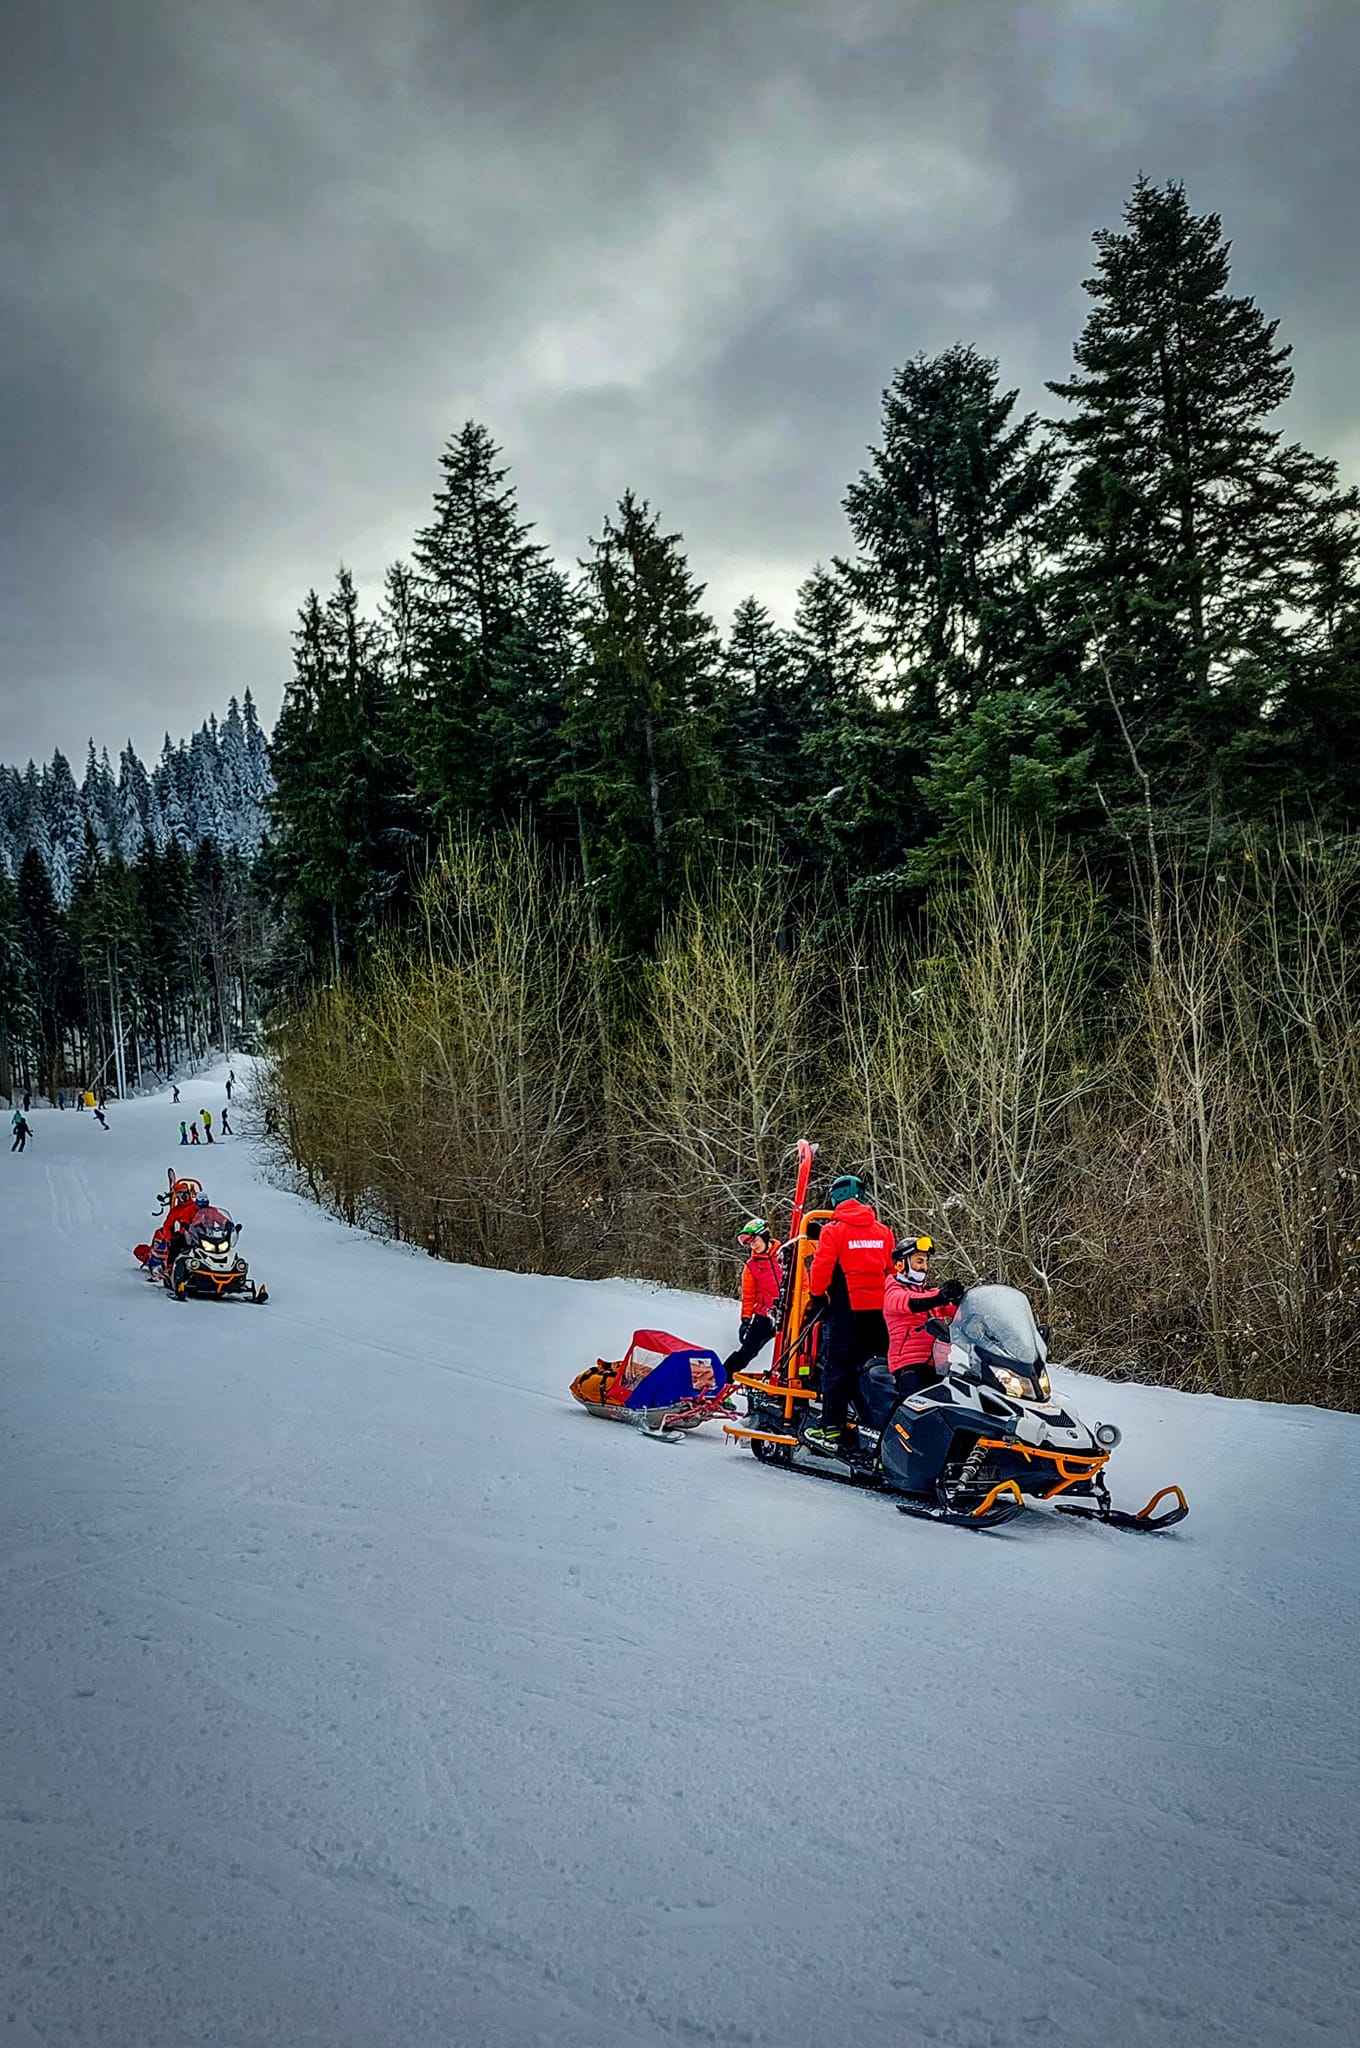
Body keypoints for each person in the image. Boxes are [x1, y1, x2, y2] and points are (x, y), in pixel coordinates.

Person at [802, 1174, 894, 1454]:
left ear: (836, 1197)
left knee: (837, 1369)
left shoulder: (834, 1230)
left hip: (847, 1311)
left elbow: (821, 1269)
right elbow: (891, 1270)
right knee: (876, 1368)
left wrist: (816, 1297)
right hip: (879, 1313)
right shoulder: (883, 1231)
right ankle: (877, 1427)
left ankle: (831, 1427)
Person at [883, 1237, 966, 1395]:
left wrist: (958, 1300)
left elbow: (958, 1314)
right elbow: (911, 1303)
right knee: (914, 1405)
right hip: (909, 1365)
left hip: (940, 1364)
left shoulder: (929, 1292)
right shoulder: (893, 1292)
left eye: (926, 1262)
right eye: (919, 1262)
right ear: (901, 1264)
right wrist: (940, 1298)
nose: (924, 1267)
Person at [721, 1219, 783, 1379]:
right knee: (748, 1351)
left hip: (791, 1313)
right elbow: (748, 1296)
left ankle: (790, 1389)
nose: (753, 1246)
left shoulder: (786, 1256)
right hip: (766, 1316)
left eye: (754, 1240)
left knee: (794, 1354)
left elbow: (803, 1284)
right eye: (749, 1243)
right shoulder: (752, 1265)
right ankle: (720, 1381)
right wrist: (746, 1319)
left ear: (765, 1235)